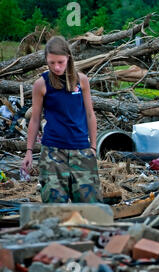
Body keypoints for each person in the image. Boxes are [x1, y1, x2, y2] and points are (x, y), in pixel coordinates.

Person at [21, 36, 103, 203]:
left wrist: (93, 147)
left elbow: (90, 114)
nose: (56, 67)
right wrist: (29, 151)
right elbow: (35, 119)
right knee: (53, 205)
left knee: (90, 205)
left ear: (68, 58)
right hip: (52, 151)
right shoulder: (41, 84)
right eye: (51, 63)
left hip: (81, 148)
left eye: (60, 62)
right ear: (46, 60)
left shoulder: (82, 81)